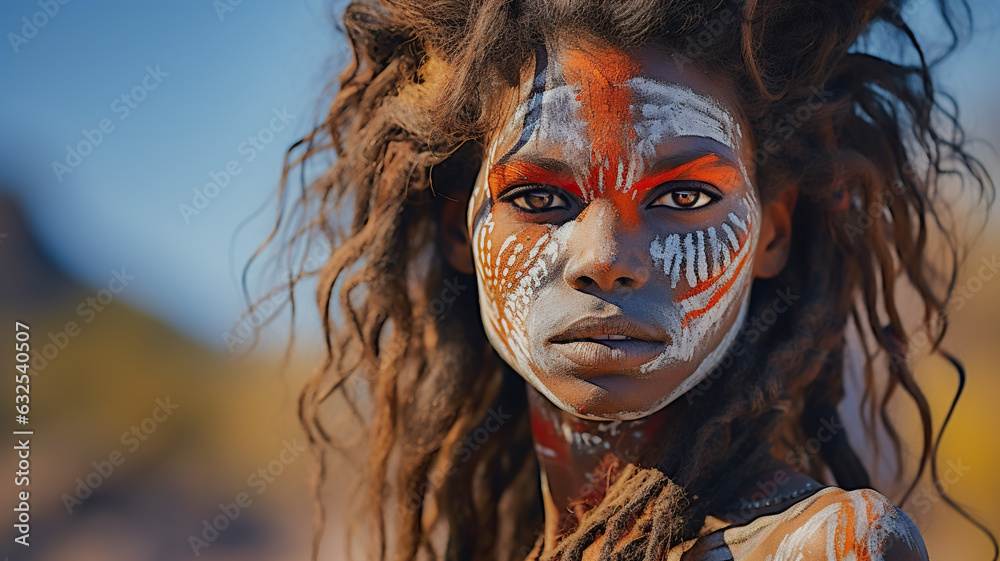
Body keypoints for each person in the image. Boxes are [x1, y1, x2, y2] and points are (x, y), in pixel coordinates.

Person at [252, 0, 997, 559]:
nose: (605, 255)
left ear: (772, 232)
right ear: (460, 230)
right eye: (539, 198)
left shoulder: (829, 548)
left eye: (683, 196)